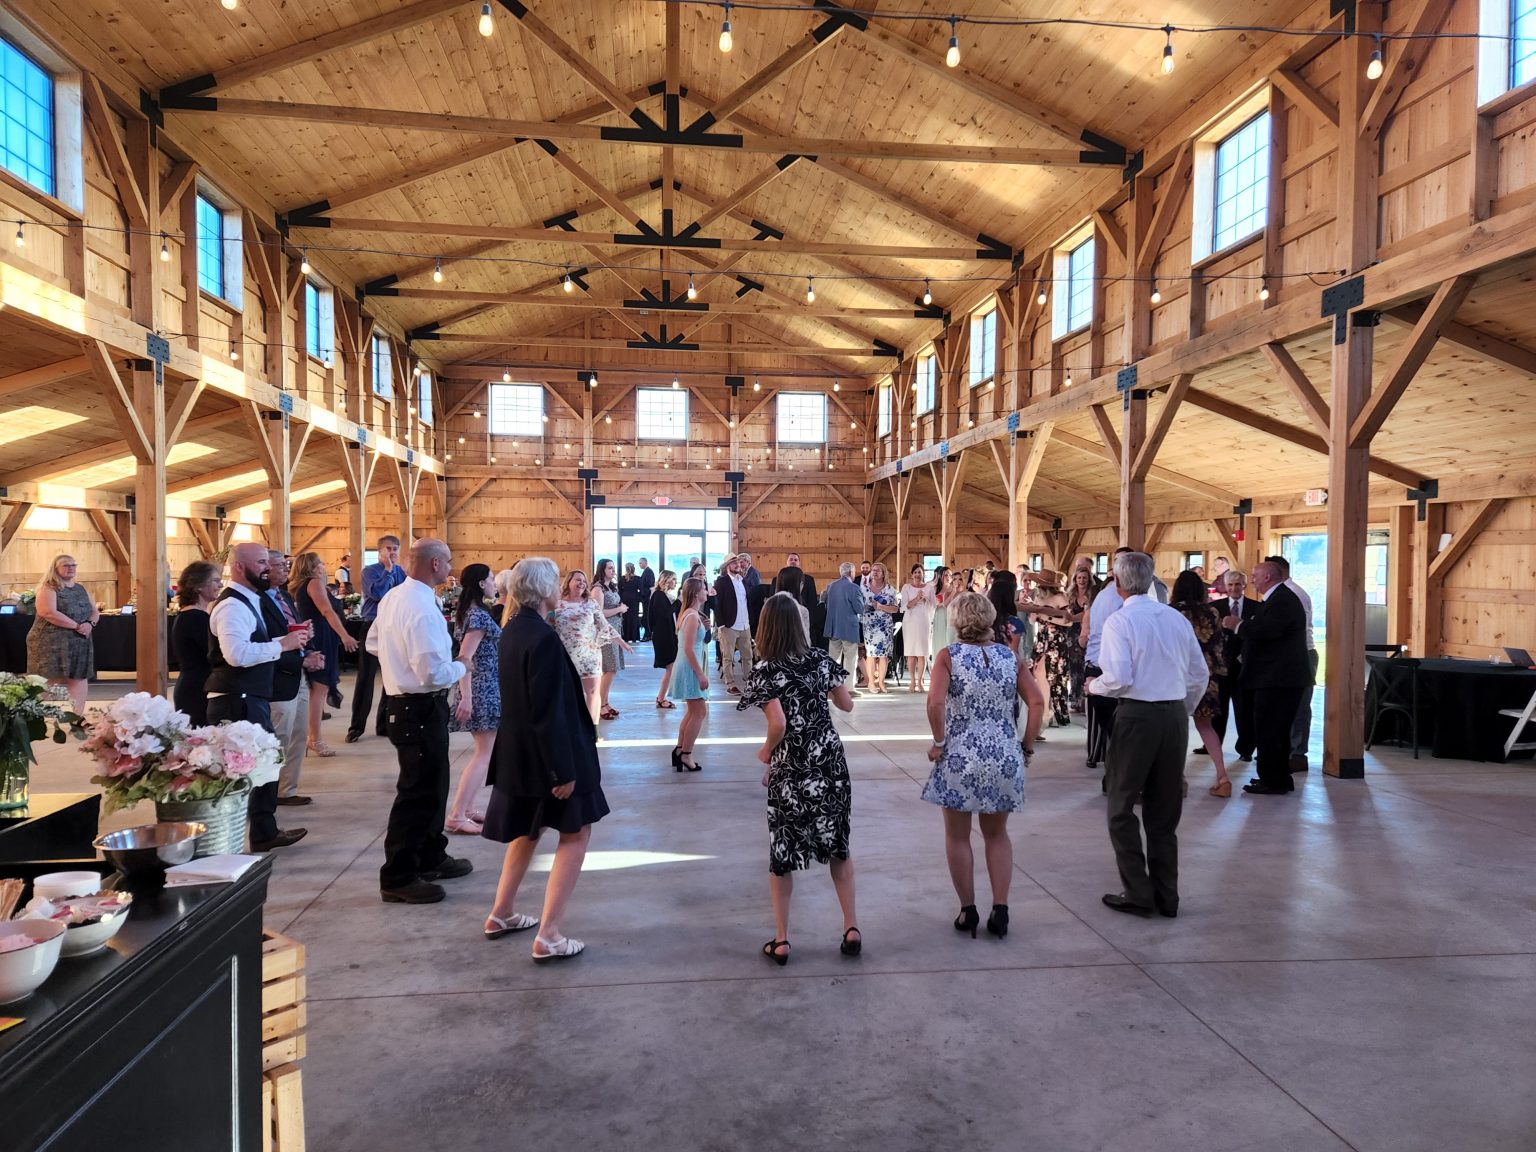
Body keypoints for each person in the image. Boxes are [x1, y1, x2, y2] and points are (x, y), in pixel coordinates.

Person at [481, 557, 609, 960]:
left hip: (518, 755)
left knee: (527, 830)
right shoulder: (542, 638)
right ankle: (549, 934)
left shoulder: (514, 631)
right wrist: (562, 770)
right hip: (550, 757)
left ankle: (501, 913)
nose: (561, 589)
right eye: (556, 583)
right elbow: (549, 711)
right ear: (542, 590)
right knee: (576, 832)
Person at [739, 593, 859, 965]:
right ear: (799, 624)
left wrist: (764, 754)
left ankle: (783, 939)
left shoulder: (764, 670)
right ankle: (851, 928)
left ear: (766, 627)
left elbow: (778, 723)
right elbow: (847, 703)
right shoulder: (819, 660)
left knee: (783, 853)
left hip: (791, 768)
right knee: (838, 846)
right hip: (829, 765)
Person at [1088, 552, 1209, 918]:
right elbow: (1198, 673)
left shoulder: (1119, 621)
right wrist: (1180, 709)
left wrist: (1095, 686)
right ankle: (1167, 896)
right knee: (1164, 809)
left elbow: (1119, 677)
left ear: (1118, 584)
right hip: (1173, 715)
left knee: (1121, 806)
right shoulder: (1174, 618)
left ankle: (1139, 892)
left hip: (1137, 715)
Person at [368, 538, 472, 904]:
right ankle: (398, 875)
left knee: (434, 786)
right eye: (449, 562)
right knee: (417, 794)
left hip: (408, 703)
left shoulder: (394, 597)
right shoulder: (420, 607)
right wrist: (462, 665)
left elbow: (373, 643)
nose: (451, 568)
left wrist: (396, 664)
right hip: (418, 706)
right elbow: (431, 673)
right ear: (434, 565)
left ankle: (430, 854)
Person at [922, 591, 1029, 940]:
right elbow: (1038, 701)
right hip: (1002, 753)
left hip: (960, 754)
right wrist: (1026, 744)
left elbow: (935, 703)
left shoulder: (948, 657)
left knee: (957, 835)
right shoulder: (1010, 657)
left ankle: (968, 910)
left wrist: (938, 742)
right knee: (997, 835)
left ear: (955, 621)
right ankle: (1001, 908)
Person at [205, 543, 311, 852]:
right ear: (239, 567)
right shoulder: (233, 606)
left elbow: (255, 644)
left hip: (251, 696)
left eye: (269, 561)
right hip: (236, 698)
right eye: (262, 562)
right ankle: (232, 840)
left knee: (265, 765)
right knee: (243, 772)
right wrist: (284, 645)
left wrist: (287, 641)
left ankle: (265, 831)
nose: (269, 567)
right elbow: (236, 654)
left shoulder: (251, 601)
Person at [1224, 560, 1311, 796]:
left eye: (1255, 575)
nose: (1251, 580)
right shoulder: (1276, 598)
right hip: (1275, 678)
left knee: (1271, 730)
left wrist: (1238, 625)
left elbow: (1268, 631)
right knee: (1274, 730)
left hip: (1278, 679)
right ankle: (1277, 777)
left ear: (1268, 577)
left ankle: (1273, 780)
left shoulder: (1282, 600)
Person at [267, 551, 324, 808]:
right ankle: (267, 793)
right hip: (278, 675)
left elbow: (294, 628)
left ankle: (287, 789)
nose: (284, 570)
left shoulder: (285, 595)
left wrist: (308, 644)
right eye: (279, 565)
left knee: (299, 733)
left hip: (298, 668)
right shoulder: (257, 601)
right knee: (280, 734)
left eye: (286, 565)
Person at [447, 564, 501, 836]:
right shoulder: (477, 615)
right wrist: (465, 696)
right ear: (481, 584)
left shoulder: (472, 612)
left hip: (485, 686)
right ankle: (457, 814)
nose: (494, 582)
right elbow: (464, 658)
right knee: (483, 754)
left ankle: (466, 809)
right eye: (491, 578)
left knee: (484, 753)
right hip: (483, 688)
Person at [1170, 570, 1231, 797]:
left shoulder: (1172, 612)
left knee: (1177, 729)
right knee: (1206, 727)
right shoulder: (1212, 612)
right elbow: (1218, 645)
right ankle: (1223, 777)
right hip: (1206, 676)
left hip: (1179, 677)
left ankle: (1179, 780)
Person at [292, 551, 356, 759]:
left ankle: (311, 738)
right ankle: (314, 738)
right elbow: (327, 611)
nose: (323, 566)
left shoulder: (304, 586)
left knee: (317, 689)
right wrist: (345, 635)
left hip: (320, 635)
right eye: (319, 563)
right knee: (318, 689)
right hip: (320, 636)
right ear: (311, 567)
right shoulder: (313, 584)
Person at [1082, 546, 1137, 773]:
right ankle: (1113, 775)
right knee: (1118, 730)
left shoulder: (1105, 595)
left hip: (1100, 665)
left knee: (1116, 730)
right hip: (1105, 667)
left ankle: (1113, 776)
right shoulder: (1111, 597)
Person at [348, 535, 406, 743]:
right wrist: (388, 571)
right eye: (389, 549)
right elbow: (378, 593)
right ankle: (356, 727)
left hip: (392, 626)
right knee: (366, 676)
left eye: (396, 549)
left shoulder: (403, 573)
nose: (393, 553)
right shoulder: (370, 571)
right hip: (372, 623)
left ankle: (384, 724)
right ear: (380, 551)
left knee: (391, 675)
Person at [26, 554, 97, 714]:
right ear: (55, 569)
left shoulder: (80, 588)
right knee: (46, 679)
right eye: (66, 565)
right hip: (49, 643)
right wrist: (78, 626)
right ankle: (29, 715)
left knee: (79, 677)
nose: (71, 567)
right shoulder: (49, 588)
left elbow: (95, 612)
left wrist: (90, 624)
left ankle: (76, 718)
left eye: (73, 565)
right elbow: (48, 612)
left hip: (79, 641)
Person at [1268, 555, 1318, 772]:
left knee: (1299, 705)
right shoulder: (1283, 593)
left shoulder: (1293, 594)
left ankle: (1298, 753)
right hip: (1292, 654)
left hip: (1302, 654)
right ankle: (1287, 750)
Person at [549, 570, 610, 724]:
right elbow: (548, 626)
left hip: (589, 654)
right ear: (568, 582)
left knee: (593, 692)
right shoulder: (556, 604)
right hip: (564, 654)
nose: (582, 583)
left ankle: (592, 729)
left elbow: (604, 625)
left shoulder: (591, 603)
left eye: (584, 580)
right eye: (578, 580)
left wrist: (619, 641)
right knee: (564, 693)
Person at [172, 560, 222, 726]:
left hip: (200, 684)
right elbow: (216, 653)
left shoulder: (198, 615)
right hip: (196, 689)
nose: (220, 585)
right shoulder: (193, 618)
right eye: (215, 581)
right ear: (198, 586)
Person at [669, 576, 710, 772]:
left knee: (693, 711)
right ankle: (686, 754)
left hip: (685, 665)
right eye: (704, 588)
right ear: (696, 593)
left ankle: (680, 749)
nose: (707, 591)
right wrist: (701, 674)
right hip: (689, 666)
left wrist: (706, 629)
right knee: (699, 712)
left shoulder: (689, 613)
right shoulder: (692, 616)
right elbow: (689, 648)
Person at [1214, 569, 1253, 758]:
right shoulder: (1216, 607)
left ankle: (1245, 749)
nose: (1234, 588)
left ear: (1244, 586)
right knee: (1218, 708)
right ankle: (1213, 745)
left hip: (1244, 667)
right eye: (1230, 585)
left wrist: (1244, 655)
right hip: (1221, 666)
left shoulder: (1256, 607)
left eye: (1238, 584)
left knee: (1244, 709)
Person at [591, 559, 633, 720]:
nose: (613, 571)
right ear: (602, 569)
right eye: (610, 568)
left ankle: (606, 702)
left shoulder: (611, 586)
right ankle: (600, 705)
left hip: (614, 630)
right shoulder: (598, 589)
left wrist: (619, 609)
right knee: (610, 668)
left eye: (614, 568)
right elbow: (598, 613)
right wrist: (619, 609)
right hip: (604, 633)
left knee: (611, 669)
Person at [713, 554, 754, 695]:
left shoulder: (743, 580)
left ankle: (749, 681)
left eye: (738, 562)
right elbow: (717, 605)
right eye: (734, 563)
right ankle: (730, 684)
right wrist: (721, 624)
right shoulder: (721, 582)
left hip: (745, 624)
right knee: (728, 657)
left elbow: (747, 602)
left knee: (748, 655)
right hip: (729, 626)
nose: (737, 565)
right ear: (727, 567)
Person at [822, 562, 863, 684]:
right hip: (849, 628)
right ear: (851, 573)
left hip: (833, 627)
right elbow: (859, 609)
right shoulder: (854, 587)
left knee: (834, 658)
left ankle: (833, 686)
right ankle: (849, 688)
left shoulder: (830, 586)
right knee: (850, 658)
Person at [861, 563, 900, 692]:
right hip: (869, 625)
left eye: (878, 570)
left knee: (883, 655)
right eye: (873, 570)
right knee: (871, 654)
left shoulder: (890, 589)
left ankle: (882, 682)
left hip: (884, 625)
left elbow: (895, 608)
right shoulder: (864, 588)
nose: (875, 572)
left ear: (883, 574)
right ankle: (871, 682)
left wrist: (882, 607)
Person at [900, 564, 936, 693]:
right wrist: (916, 598)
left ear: (923, 574)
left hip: (924, 620)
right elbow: (904, 606)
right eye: (915, 572)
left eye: (919, 572)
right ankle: (912, 681)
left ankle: (920, 681)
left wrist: (926, 599)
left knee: (922, 653)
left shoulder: (930, 587)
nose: (917, 574)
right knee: (911, 653)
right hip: (910, 621)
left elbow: (934, 606)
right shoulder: (906, 587)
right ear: (911, 574)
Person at [649, 569, 679, 708]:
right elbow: (664, 615)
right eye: (673, 579)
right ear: (666, 580)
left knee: (671, 668)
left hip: (669, 635)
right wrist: (678, 602)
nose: (675, 582)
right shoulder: (659, 595)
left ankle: (661, 697)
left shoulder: (664, 595)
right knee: (670, 668)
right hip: (663, 637)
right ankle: (661, 698)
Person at [771, 566, 811, 642]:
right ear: (799, 584)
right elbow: (806, 642)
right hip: (796, 652)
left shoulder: (768, 607)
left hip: (769, 652)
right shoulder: (802, 611)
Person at [618, 562, 643, 644]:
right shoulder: (638, 578)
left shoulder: (622, 578)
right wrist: (638, 597)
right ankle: (634, 637)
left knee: (625, 618)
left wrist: (621, 599)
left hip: (625, 599)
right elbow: (642, 591)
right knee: (634, 618)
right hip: (634, 599)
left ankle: (626, 637)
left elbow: (619, 590)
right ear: (634, 568)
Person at [930, 567, 953, 651]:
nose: (948, 577)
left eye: (950, 575)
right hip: (939, 614)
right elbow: (933, 604)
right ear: (941, 576)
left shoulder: (953, 588)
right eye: (945, 575)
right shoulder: (935, 589)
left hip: (951, 615)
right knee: (939, 638)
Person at [636, 557, 656, 640]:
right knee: (645, 615)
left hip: (647, 597)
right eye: (639, 563)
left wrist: (644, 592)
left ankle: (648, 635)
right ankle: (647, 634)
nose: (640, 565)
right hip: (645, 597)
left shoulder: (649, 572)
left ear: (645, 562)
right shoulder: (646, 572)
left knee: (646, 616)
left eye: (641, 563)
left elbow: (651, 585)